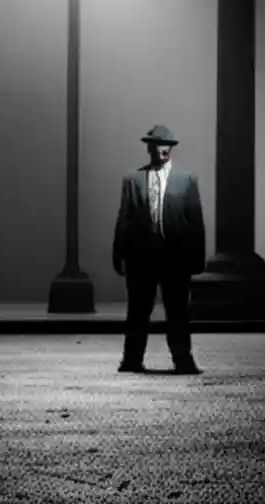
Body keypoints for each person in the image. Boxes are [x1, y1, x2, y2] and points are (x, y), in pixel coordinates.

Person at [112, 125, 206, 374]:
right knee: (138, 310)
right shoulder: (133, 179)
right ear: (149, 148)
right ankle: (131, 360)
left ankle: (183, 360)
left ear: (171, 148)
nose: (161, 149)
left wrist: (198, 257)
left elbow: (195, 220)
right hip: (141, 256)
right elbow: (125, 217)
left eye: (166, 145)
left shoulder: (186, 179)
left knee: (177, 311)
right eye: (157, 145)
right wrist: (118, 252)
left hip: (175, 256)